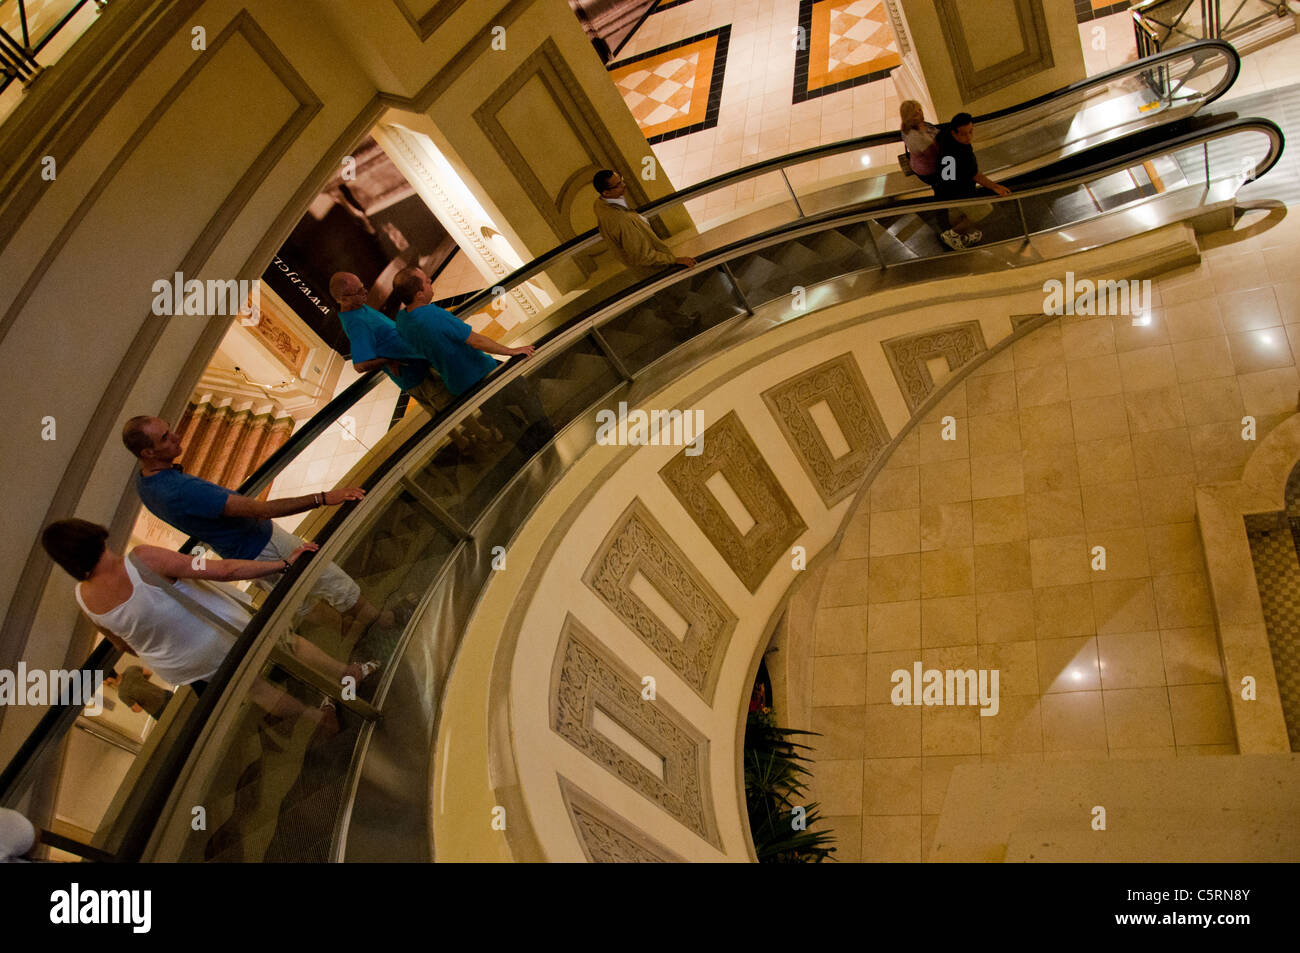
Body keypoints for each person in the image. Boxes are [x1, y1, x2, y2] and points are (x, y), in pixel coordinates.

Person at [41, 519, 374, 729]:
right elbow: (220, 569)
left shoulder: (85, 599)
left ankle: (318, 720)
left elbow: (121, 644)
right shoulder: (142, 560)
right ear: (93, 533)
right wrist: (281, 563)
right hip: (223, 631)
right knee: (289, 645)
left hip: (187, 664)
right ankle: (348, 675)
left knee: (256, 689)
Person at [122, 416, 392, 644]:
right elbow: (260, 510)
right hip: (263, 544)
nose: (178, 436)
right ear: (148, 453)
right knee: (327, 576)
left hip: (243, 552)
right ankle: (382, 622)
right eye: (166, 437)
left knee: (301, 598)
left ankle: (353, 631)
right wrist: (321, 498)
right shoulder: (182, 490)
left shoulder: (145, 483)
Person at [392, 266, 556, 456]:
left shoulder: (402, 320)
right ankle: (549, 435)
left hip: (459, 384)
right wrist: (510, 351)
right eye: (427, 282)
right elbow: (475, 341)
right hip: (482, 371)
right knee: (525, 395)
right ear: (419, 294)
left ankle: (529, 450)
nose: (430, 281)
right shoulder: (433, 316)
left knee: (500, 418)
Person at [329, 271, 499, 453]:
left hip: (416, 368)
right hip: (414, 376)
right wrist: (391, 359)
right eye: (359, 291)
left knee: (438, 408)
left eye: (363, 286)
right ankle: (483, 437)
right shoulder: (356, 324)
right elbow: (360, 365)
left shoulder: (358, 309)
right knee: (448, 404)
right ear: (344, 299)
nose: (365, 292)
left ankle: (462, 442)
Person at [931, 112, 1012, 251]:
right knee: (984, 209)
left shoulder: (945, 134)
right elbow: (976, 176)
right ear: (954, 133)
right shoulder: (964, 154)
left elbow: (936, 141)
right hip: (960, 190)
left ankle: (960, 235)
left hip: (945, 187)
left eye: (970, 132)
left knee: (959, 215)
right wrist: (995, 187)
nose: (968, 137)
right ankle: (952, 235)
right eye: (963, 134)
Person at [592, 170, 696, 270]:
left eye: (621, 180)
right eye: (618, 185)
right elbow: (643, 256)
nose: (624, 185)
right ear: (606, 193)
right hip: (655, 270)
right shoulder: (621, 221)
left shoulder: (602, 204)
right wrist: (674, 260)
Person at [105, 665, 172, 719]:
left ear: (109, 679)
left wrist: (133, 709)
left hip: (158, 710)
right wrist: (142, 682)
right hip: (165, 695)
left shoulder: (122, 694)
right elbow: (149, 672)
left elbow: (138, 709)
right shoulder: (131, 669)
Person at [899, 100, 941, 186]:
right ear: (909, 118)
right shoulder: (918, 137)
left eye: (919, 110)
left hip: (917, 164)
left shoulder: (906, 127)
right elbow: (935, 156)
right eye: (915, 114)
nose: (921, 113)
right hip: (930, 171)